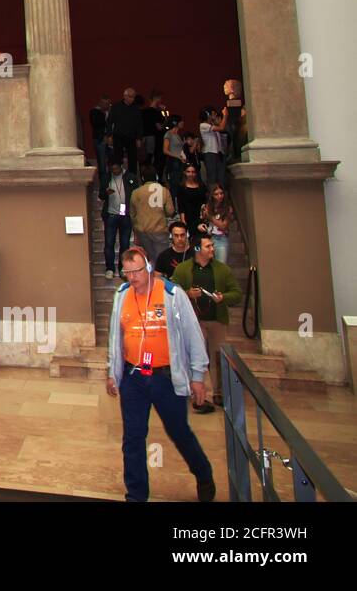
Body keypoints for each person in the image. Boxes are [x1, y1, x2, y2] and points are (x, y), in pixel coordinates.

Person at [106, 246, 216, 502]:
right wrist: (113, 371)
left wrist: (198, 376)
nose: (132, 277)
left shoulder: (172, 294)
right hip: (134, 377)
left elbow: (193, 336)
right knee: (133, 438)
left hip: (164, 378)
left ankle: (203, 473)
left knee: (179, 432)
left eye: (136, 271)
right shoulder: (122, 295)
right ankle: (136, 495)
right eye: (127, 272)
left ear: (149, 268)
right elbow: (115, 336)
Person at [172, 232, 242, 411]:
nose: (212, 249)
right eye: (208, 246)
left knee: (219, 357)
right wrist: (188, 294)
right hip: (194, 322)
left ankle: (220, 393)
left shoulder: (221, 269)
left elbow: (237, 294)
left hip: (217, 320)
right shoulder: (183, 270)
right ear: (197, 249)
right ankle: (205, 396)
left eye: (212, 246)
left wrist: (223, 297)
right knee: (199, 357)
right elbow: (172, 293)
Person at [129, 165, 175, 264]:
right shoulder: (164, 191)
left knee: (149, 260)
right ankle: (160, 278)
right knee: (162, 260)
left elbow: (132, 215)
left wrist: (135, 232)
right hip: (159, 230)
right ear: (157, 177)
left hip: (142, 231)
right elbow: (170, 211)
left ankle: (150, 277)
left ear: (142, 178)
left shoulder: (136, 193)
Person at [101, 160, 138, 278]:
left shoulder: (130, 177)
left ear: (121, 166)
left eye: (116, 169)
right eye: (112, 169)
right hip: (111, 214)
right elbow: (100, 195)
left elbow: (136, 193)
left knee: (125, 243)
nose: (115, 171)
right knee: (109, 243)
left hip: (125, 214)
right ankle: (110, 268)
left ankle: (123, 267)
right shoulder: (107, 177)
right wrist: (105, 193)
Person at [109, 87, 143, 179]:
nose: (132, 99)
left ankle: (132, 180)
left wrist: (139, 138)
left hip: (131, 137)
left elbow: (139, 124)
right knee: (117, 159)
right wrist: (109, 136)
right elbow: (110, 121)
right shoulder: (116, 107)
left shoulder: (136, 108)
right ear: (125, 96)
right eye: (130, 97)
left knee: (132, 160)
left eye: (133, 97)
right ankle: (117, 179)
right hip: (118, 136)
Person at [202, 184, 235, 265]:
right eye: (216, 194)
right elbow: (202, 221)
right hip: (208, 238)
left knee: (221, 266)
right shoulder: (207, 207)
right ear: (211, 195)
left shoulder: (227, 208)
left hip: (221, 239)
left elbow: (223, 226)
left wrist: (209, 216)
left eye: (221, 193)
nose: (220, 196)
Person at [176, 163, 207, 235]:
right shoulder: (181, 187)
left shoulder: (201, 186)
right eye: (188, 172)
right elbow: (181, 205)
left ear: (196, 173)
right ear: (184, 172)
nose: (191, 174)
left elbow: (205, 201)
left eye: (193, 172)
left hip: (200, 216)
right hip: (188, 218)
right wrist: (183, 221)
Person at [89, 94, 112, 194]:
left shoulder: (109, 113)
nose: (107, 106)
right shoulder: (94, 112)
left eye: (108, 104)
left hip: (109, 140)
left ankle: (110, 185)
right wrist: (106, 115)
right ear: (101, 103)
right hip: (100, 139)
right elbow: (97, 124)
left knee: (111, 163)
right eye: (106, 103)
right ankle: (103, 188)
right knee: (102, 165)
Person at [199, 109, 226, 189]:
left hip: (217, 153)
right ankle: (211, 198)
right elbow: (221, 128)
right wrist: (225, 115)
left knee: (220, 177)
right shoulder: (203, 125)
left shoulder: (211, 125)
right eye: (213, 114)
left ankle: (220, 196)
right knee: (212, 178)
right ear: (208, 114)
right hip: (210, 153)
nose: (215, 116)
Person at [162, 114, 186, 200]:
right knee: (174, 184)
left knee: (180, 183)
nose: (182, 122)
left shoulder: (178, 135)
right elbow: (165, 150)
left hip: (180, 162)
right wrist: (178, 156)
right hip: (174, 162)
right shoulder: (169, 134)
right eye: (180, 121)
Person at [222, 79, 245, 164]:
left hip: (234, 126)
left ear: (232, 88)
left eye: (226, 86)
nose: (224, 88)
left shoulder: (234, 104)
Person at [144, 90, 168, 170]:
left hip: (148, 138)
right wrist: (164, 114)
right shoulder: (157, 112)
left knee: (149, 159)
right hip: (156, 139)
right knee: (157, 160)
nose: (161, 101)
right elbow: (160, 127)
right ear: (156, 98)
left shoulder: (145, 111)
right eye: (160, 99)